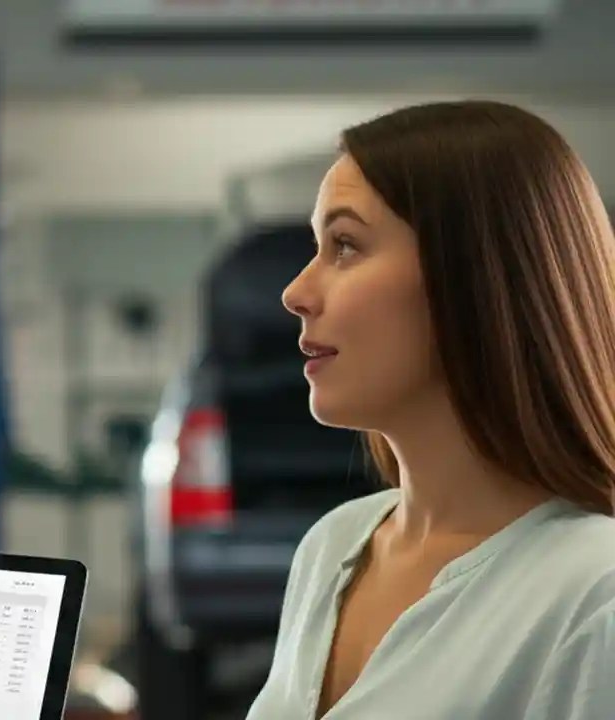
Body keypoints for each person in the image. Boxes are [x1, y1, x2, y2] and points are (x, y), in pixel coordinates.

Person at [245, 100, 615, 720]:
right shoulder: (331, 547)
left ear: (473, 276)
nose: (296, 292)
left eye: (345, 245)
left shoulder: (594, 591)